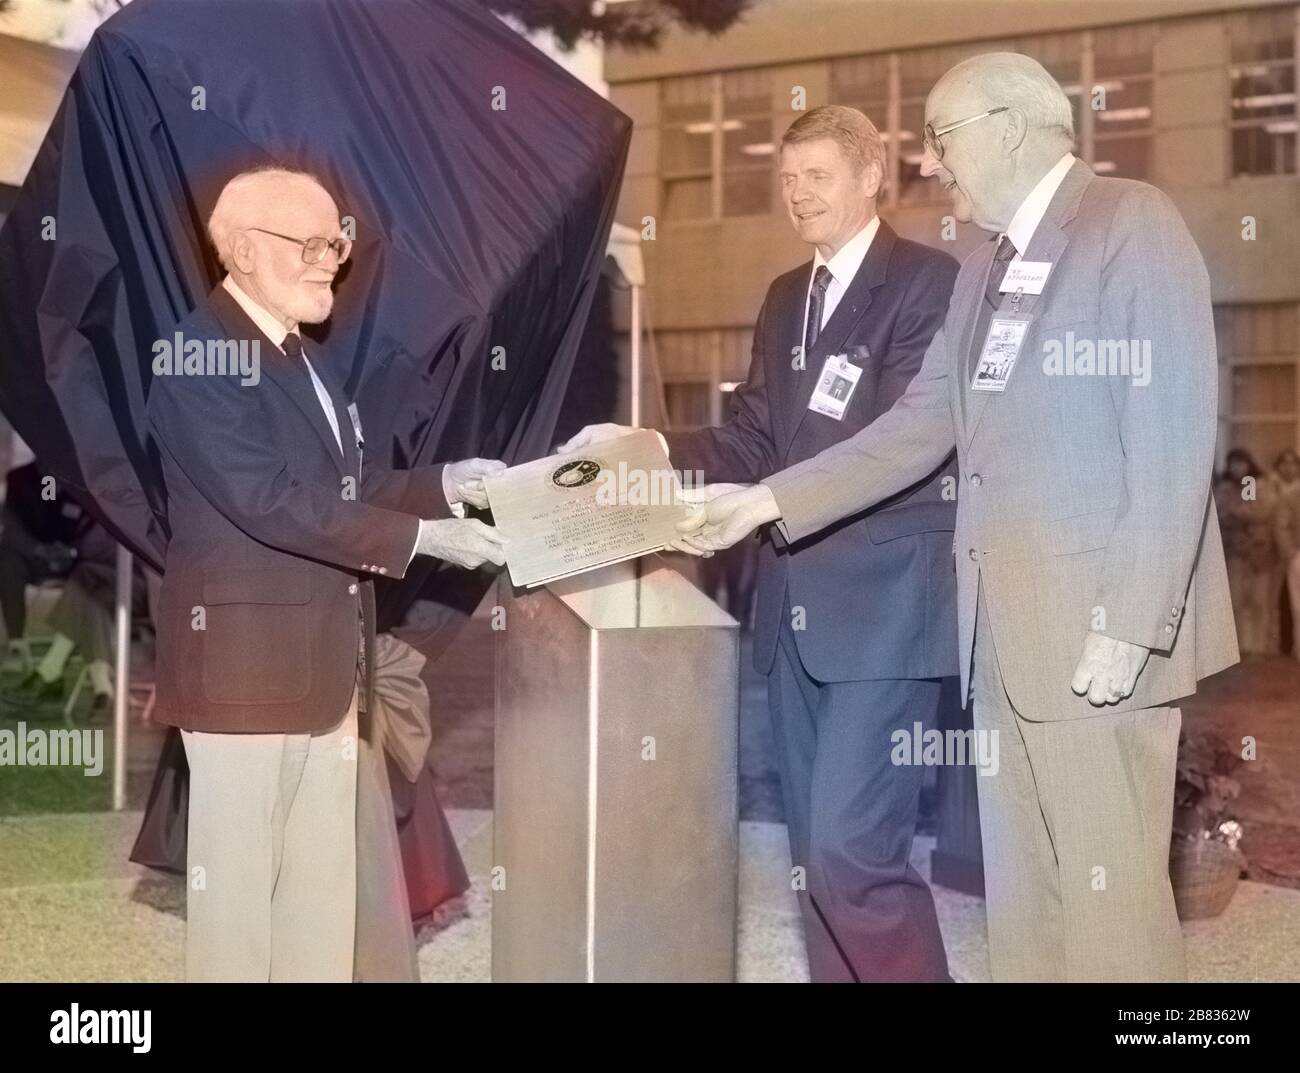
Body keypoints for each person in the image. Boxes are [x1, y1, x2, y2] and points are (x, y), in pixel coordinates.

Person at [676, 53, 1239, 982]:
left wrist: (1132, 624)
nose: (932, 165)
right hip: (1003, 641)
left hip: (1100, 633)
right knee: (1024, 907)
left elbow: (1175, 438)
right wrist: (766, 499)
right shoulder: (982, 270)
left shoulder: (1129, 223)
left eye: (942, 139)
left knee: (1110, 910)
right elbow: (913, 429)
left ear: (1009, 128)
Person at [561, 106, 960, 982]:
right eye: (785, 179)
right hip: (792, 616)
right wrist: (644, 448)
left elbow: (894, 439)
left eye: (817, 175)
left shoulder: (933, 285)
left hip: (886, 613)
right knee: (817, 855)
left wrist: (762, 500)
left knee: (858, 852)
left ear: (870, 179)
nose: (796, 194)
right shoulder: (787, 297)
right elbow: (751, 436)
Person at [146, 165, 508, 982]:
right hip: (242, 680)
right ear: (240, 250)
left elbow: (342, 489)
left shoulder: (302, 356)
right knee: (239, 918)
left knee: (320, 906)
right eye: (308, 244)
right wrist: (426, 539)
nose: (330, 261)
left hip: (325, 678)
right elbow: (270, 501)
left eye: (336, 244)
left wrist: (449, 483)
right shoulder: (196, 354)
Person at [1215, 449, 1281, 655]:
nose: (1238, 468)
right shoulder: (1225, 487)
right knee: (1236, 601)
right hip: (1234, 550)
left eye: (1241, 463)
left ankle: (1259, 647)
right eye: (1233, 463)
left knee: (1259, 601)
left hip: (1259, 551)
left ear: (1248, 463)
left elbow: (1258, 511)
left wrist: (1240, 513)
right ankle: (1239, 647)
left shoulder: (1255, 483)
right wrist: (1238, 514)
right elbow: (1220, 513)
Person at [1271, 448, 1300, 659]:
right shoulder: (1265, 485)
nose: (1288, 467)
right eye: (1284, 463)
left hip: (1289, 554)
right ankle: (1284, 646)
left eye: (1293, 463)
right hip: (1271, 553)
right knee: (1283, 603)